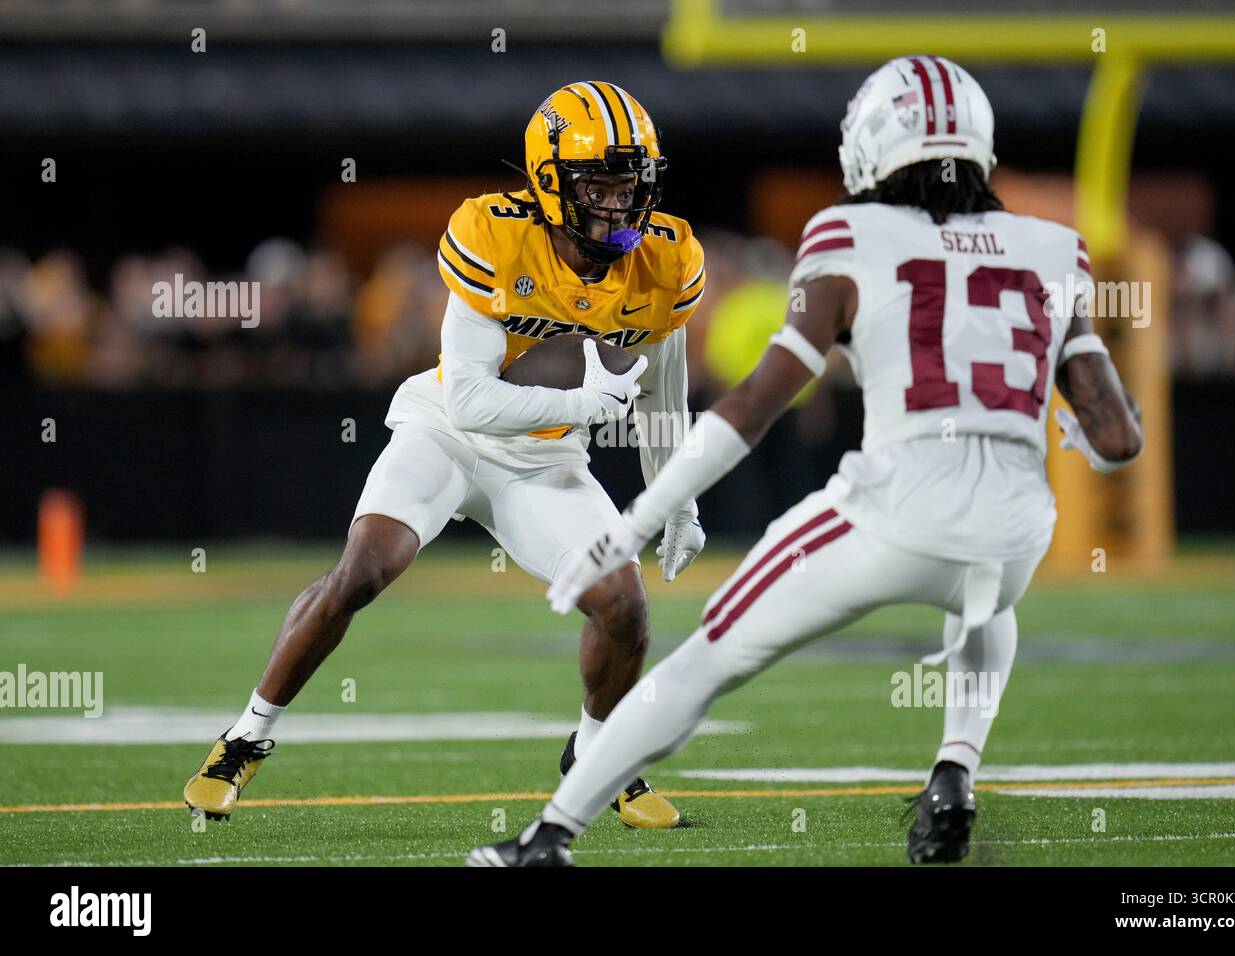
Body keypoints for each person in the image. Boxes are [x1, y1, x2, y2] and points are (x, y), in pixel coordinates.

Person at [470, 56, 1143, 867]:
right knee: (984, 595)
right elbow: (1117, 438)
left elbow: (753, 408)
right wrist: (1063, 432)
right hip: (1019, 531)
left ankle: (548, 838)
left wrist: (637, 525)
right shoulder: (1055, 248)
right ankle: (955, 770)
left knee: (702, 660)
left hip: (896, 512)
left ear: (870, 145)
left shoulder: (847, 234)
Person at [184, 82, 709, 830]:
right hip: (451, 437)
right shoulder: (495, 235)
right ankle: (246, 735)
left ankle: (598, 757)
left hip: (544, 461)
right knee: (365, 569)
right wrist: (586, 407)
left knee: (624, 606)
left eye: (629, 186)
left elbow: (664, 396)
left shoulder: (662, 262)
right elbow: (470, 401)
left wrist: (676, 499)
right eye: (597, 184)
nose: (616, 206)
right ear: (551, 181)